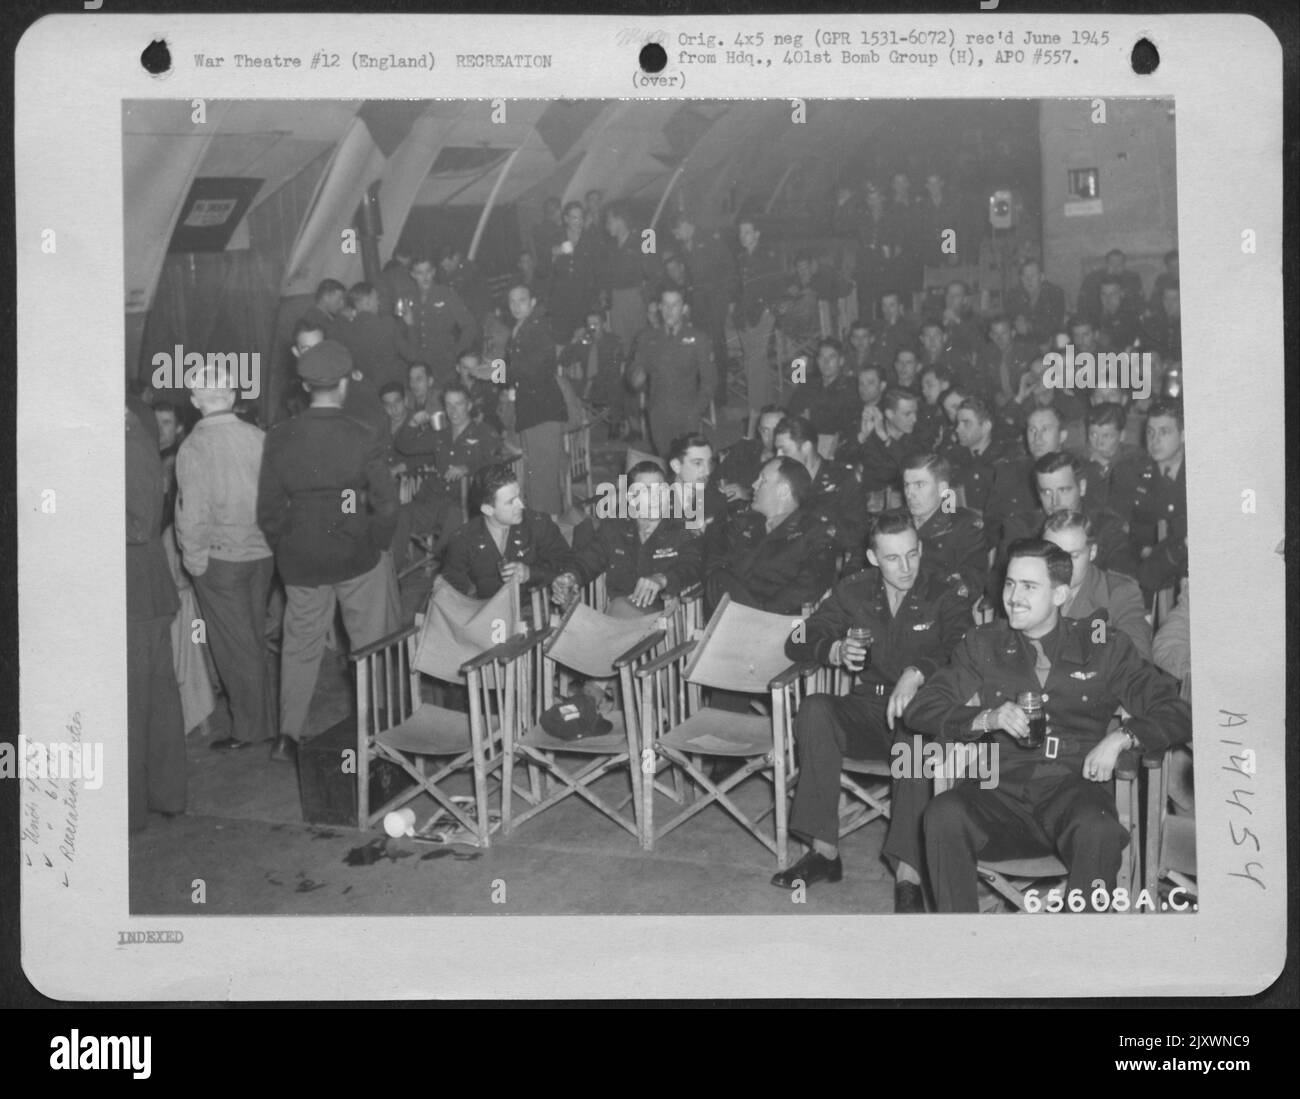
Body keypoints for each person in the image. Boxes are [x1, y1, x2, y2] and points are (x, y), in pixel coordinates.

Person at [906, 539, 1191, 912]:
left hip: (1074, 791)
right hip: (999, 790)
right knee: (942, 814)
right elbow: (921, 709)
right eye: (1009, 584)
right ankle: (963, 950)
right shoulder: (983, 643)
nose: (1013, 597)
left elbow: (1176, 709)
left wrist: (1125, 736)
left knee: (1100, 829)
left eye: (1028, 586)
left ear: (1059, 593)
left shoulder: (1102, 645)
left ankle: (1077, 959)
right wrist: (987, 718)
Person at [775, 510, 971, 909]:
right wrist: (831, 649)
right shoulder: (854, 589)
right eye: (892, 558)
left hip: (922, 711)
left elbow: (966, 650)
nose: (906, 568)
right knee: (815, 709)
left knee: (914, 733)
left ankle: (909, 877)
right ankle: (824, 853)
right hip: (869, 708)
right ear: (871, 557)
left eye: (913, 555)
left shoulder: (943, 591)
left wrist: (919, 672)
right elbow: (798, 638)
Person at [257, 341, 400, 763]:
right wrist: (375, 538)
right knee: (368, 641)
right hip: (355, 551)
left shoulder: (280, 437)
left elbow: (268, 509)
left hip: (301, 560)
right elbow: (385, 502)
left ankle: (287, 734)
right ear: (342, 384)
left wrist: (289, 540)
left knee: (300, 643)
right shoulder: (362, 434)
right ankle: (374, 729)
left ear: (304, 385)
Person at [174, 364, 277, 750]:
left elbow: (193, 515)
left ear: (195, 401)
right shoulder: (259, 437)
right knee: (252, 637)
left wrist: (194, 561)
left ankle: (250, 730)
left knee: (235, 648)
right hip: (262, 555)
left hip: (221, 560)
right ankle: (264, 720)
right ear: (232, 396)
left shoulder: (194, 447)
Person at [126, 403, 187, 831]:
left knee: (133, 706)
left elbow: (139, 525)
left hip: (135, 594)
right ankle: (165, 795)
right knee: (157, 702)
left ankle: (128, 812)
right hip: (145, 595)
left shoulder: (127, 444)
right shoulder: (135, 433)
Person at [553, 461, 703, 613]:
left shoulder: (681, 527)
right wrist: (570, 577)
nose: (655, 497)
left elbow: (693, 565)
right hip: (622, 614)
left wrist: (663, 579)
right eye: (645, 491)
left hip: (666, 618)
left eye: (661, 490)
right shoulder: (615, 528)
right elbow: (588, 559)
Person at [703, 456, 838, 616]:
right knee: (718, 578)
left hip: (781, 622)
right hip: (735, 616)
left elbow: (809, 585)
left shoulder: (814, 532)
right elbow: (716, 563)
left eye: (762, 480)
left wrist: (766, 613)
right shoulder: (743, 523)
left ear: (783, 490)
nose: (754, 485)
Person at [440, 462, 573, 600]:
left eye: (519, 496)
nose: (521, 505)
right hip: (485, 613)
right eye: (511, 502)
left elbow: (567, 564)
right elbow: (452, 593)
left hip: (533, 611)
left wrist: (531, 573)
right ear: (488, 509)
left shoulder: (538, 524)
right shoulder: (463, 539)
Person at [1043, 511, 1151, 660]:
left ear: (1092, 552)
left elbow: (1137, 662)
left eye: (1073, 556)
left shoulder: (1119, 593)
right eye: (1054, 556)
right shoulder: (1029, 589)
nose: (1063, 566)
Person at [628, 286, 716, 457]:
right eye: (665, 305)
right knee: (666, 464)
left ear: (684, 308)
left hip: (687, 414)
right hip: (658, 414)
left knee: (686, 466)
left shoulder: (698, 339)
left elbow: (710, 381)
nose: (669, 311)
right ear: (659, 307)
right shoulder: (647, 339)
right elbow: (634, 373)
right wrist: (635, 378)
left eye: (675, 305)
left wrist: (696, 411)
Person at [774, 415, 867, 571]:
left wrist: (819, 523)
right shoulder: (779, 478)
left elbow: (858, 534)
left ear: (806, 448)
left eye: (784, 450)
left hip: (822, 563)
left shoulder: (842, 479)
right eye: (776, 450)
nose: (777, 456)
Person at [505, 282, 567, 516]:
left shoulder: (537, 328)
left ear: (532, 303)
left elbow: (533, 368)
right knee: (536, 479)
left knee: (544, 482)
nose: (516, 306)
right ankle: (545, 534)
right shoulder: (521, 329)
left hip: (543, 412)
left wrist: (498, 372)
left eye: (522, 300)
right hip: (531, 412)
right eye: (512, 301)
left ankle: (552, 537)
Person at [902, 452, 988, 607]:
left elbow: (971, 584)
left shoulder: (964, 526)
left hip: (939, 613)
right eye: (906, 485)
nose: (910, 494)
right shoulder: (893, 521)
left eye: (919, 485)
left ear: (942, 488)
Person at [670, 211, 737, 409]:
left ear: (686, 224)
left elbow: (729, 269)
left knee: (717, 345)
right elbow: (689, 280)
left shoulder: (711, 241)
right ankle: (704, 391)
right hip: (698, 303)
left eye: (676, 230)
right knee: (700, 346)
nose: (675, 235)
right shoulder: (684, 248)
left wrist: (729, 298)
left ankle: (720, 393)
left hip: (715, 301)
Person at [1127, 399, 1188, 600]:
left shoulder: (1200, 476)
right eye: (1150, 432)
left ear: (1183, 435)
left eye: (1164, 432)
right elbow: (1119, 529)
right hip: (1143, 577)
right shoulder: (1131, 472)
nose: (1154, 440)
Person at [734, 215, 785, 436]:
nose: (742, 236)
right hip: (745, 316)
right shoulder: (741, 258)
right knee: (753, 364)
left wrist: (767, 309)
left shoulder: (767, 257)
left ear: (757, 234)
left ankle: (754, 421)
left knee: (755, 363)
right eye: (741, 232)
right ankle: (768, 410)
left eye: (747, 232)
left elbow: (776, 285)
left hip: (761, 315)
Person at [404, 255, 478, 388]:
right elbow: (410, 336)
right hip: (421, 365)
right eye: (420, 273)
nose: (425, 277)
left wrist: (457, 353)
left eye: (428, 271)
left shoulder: (446, 294)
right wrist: (409, 324)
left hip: (445, 364)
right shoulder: (409, 298)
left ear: (434, 272)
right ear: (413, 275)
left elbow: (470, 326)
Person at [845, 386, 921, 510]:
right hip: (866, 506)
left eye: (915, 413)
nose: (914, 419)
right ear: (889, 414)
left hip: (903, 507)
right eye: (908, 414)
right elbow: (839, 461)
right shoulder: (870, 436)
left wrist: (886, 438)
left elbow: (910, 466)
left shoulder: (918, 438)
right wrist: (862, 436)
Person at [333, 281, 416, 393]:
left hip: (368, 392)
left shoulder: (346, 332)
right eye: (376, 299)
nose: (379, 303)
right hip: (395, 388)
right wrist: (410, 325)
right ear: (367, 302)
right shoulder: (387, 323)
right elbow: (411, 355)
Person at [784, 338, 860, 448]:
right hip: (805, 442)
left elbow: (848, 424)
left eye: (831, 357)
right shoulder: (807, 386)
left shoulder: (851, 388)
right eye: (822, 357)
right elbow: (792, 412)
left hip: (836, 446)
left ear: (841, 361)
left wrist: (810, 422)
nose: (826, 362)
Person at [547, 200, 603, 344]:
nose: (578, 222)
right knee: (564, 341)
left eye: (581, 217)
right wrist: (555, 253)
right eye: (574, 218)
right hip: (562, 299)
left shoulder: (590, 239)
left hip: (584, 299)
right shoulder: (556, 237)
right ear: (566, 219)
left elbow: (597, 270)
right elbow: (545, 268)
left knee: (585, 341)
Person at [715, 404, 784, 504]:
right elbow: (717, 478)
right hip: (722, 508)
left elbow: (777, 503)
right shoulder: (746, 447)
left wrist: (747, 494)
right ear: (759, 431)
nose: (771, 437)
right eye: (765, 430)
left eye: (777, 430)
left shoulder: (785, 463)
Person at [1003, 259, 1066, 348]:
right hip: (1022, 346)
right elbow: (1009, 320)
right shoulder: (1013, 295)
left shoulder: (1055, 293)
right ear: (1021, 279)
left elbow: (1055, 322)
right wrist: (1017, 323)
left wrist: (1029, 326)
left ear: (1041, 277)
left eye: (1033, 275)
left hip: (1050, 344)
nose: (1029, 280)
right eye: (1025, 276)